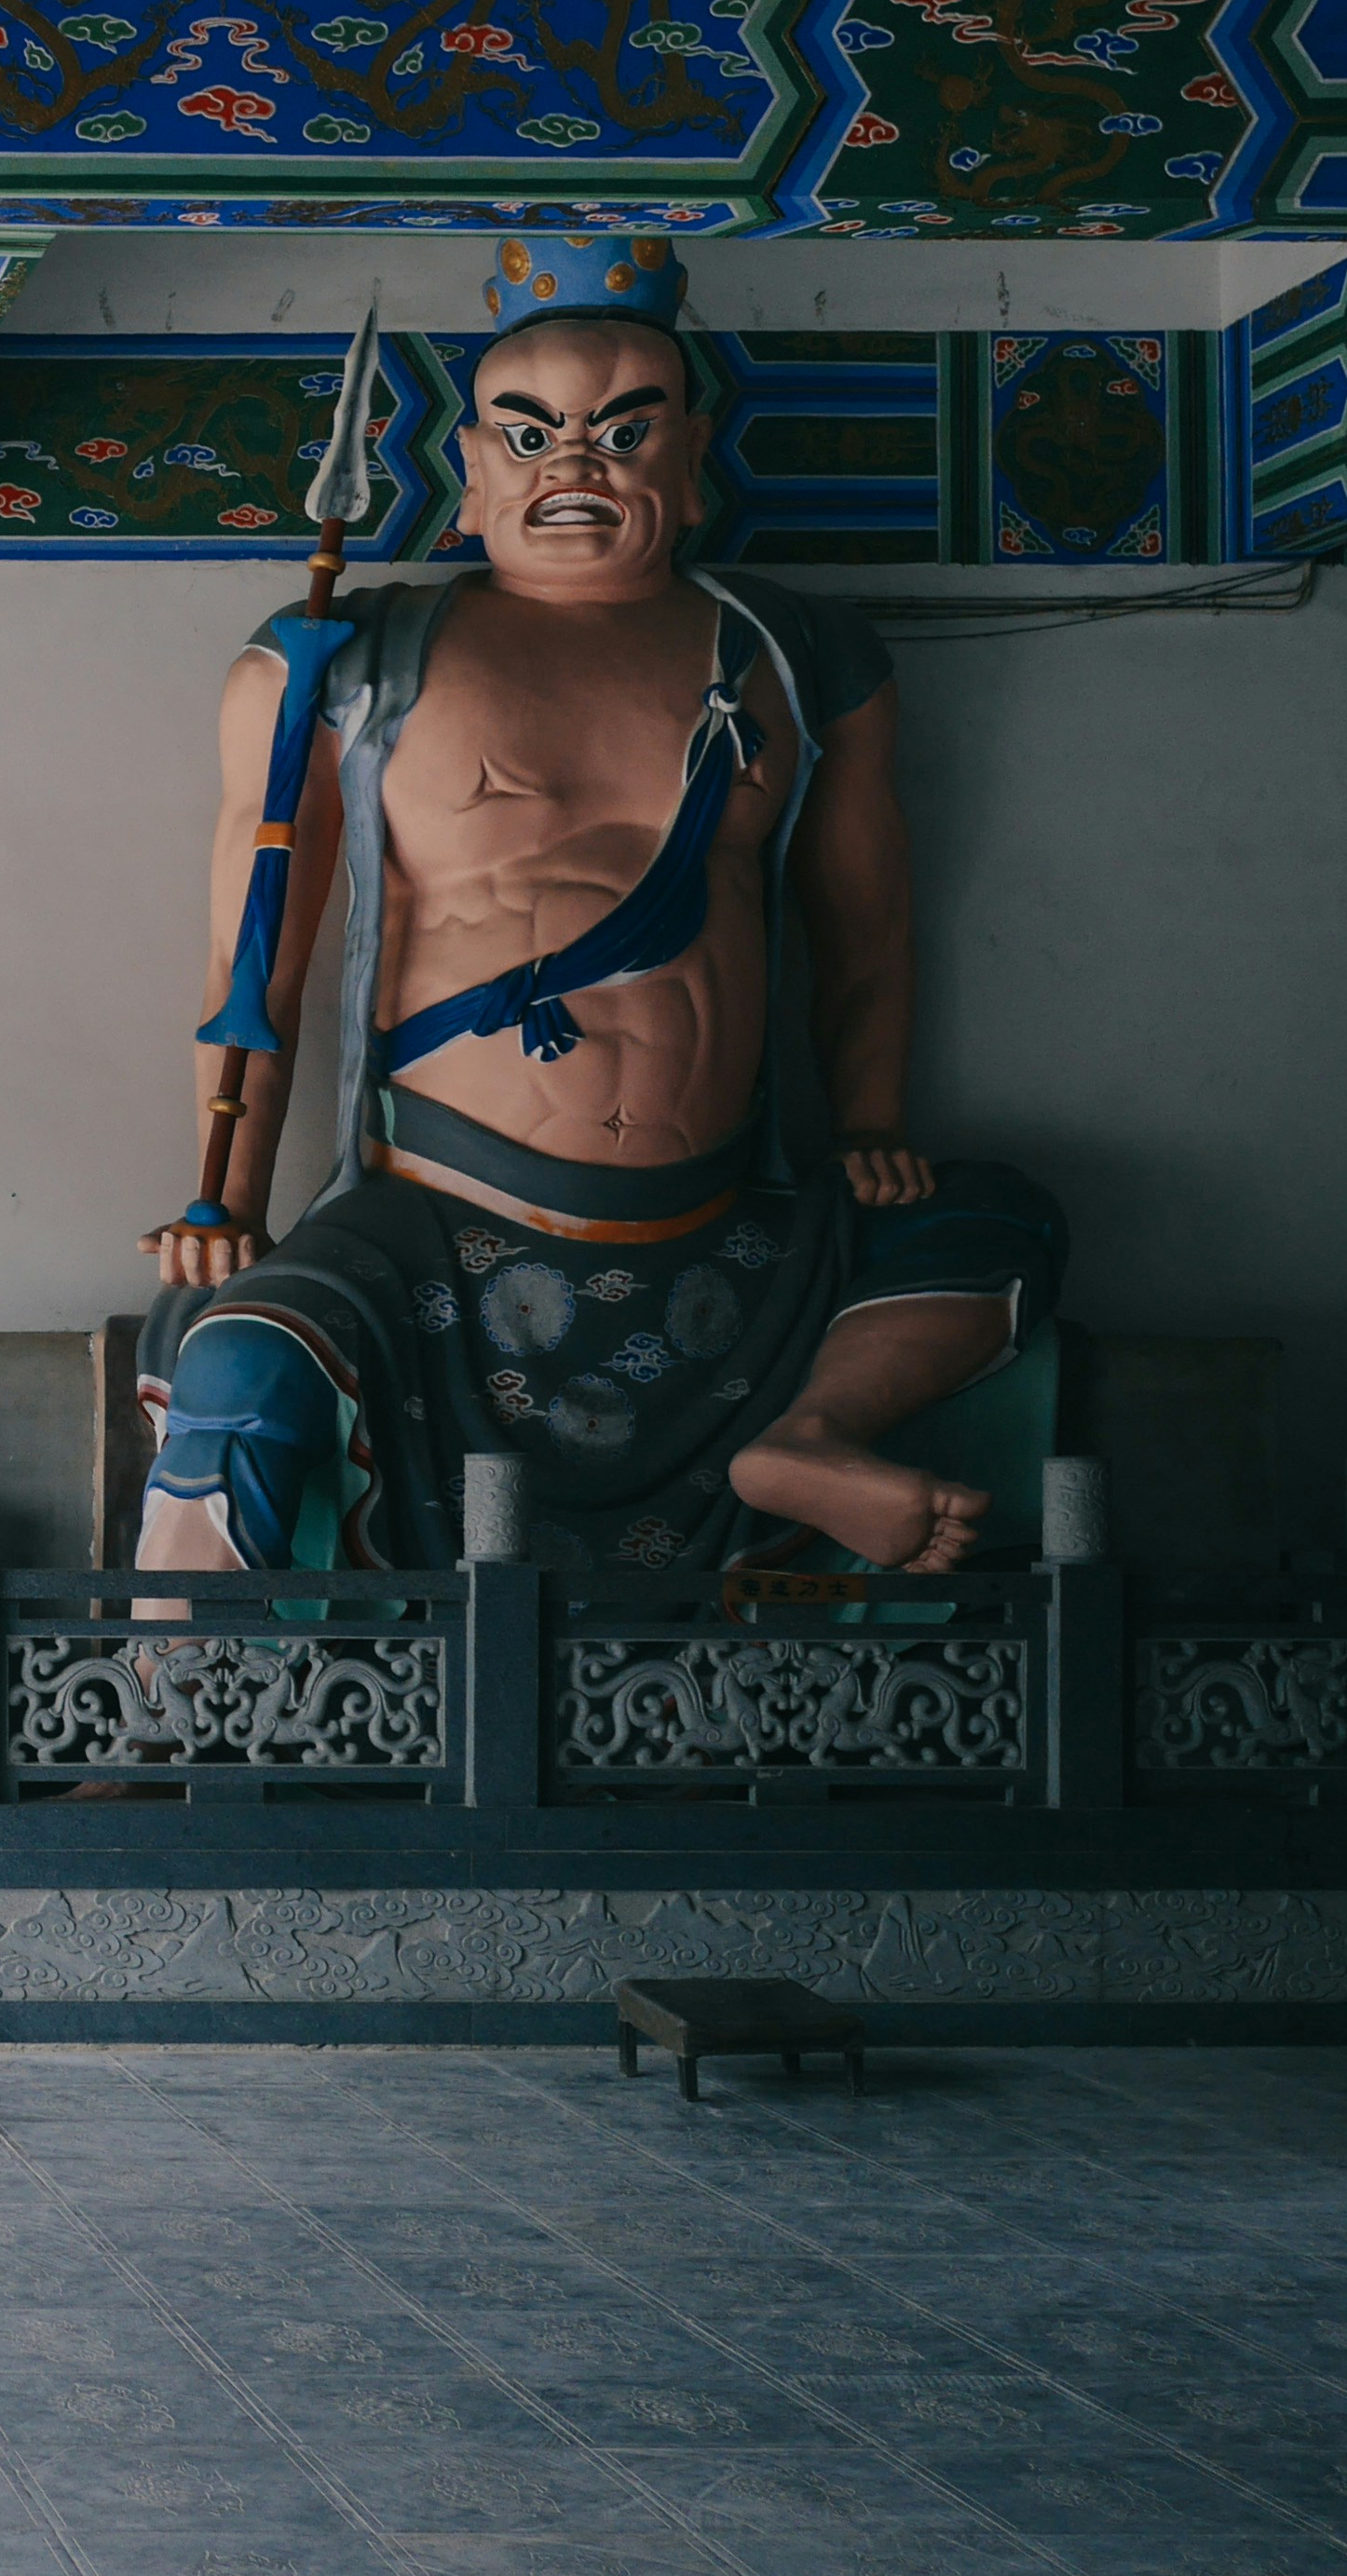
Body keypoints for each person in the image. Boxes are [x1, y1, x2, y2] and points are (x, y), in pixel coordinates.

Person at [137, 236, 1060, 1583]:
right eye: (530, 433)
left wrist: (868, 1126)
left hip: (731, 1214)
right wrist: (221, 1197)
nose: (575, 464)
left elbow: (863, 931)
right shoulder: (345, 662)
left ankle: (809, 1431)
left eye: (624, 432)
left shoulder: (800, 661)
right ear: (469, 472)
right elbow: (253, 964)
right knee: (240, 1358)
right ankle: (170, 1735)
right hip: (432, 1213)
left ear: (693, 465)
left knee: (1003, 1225)